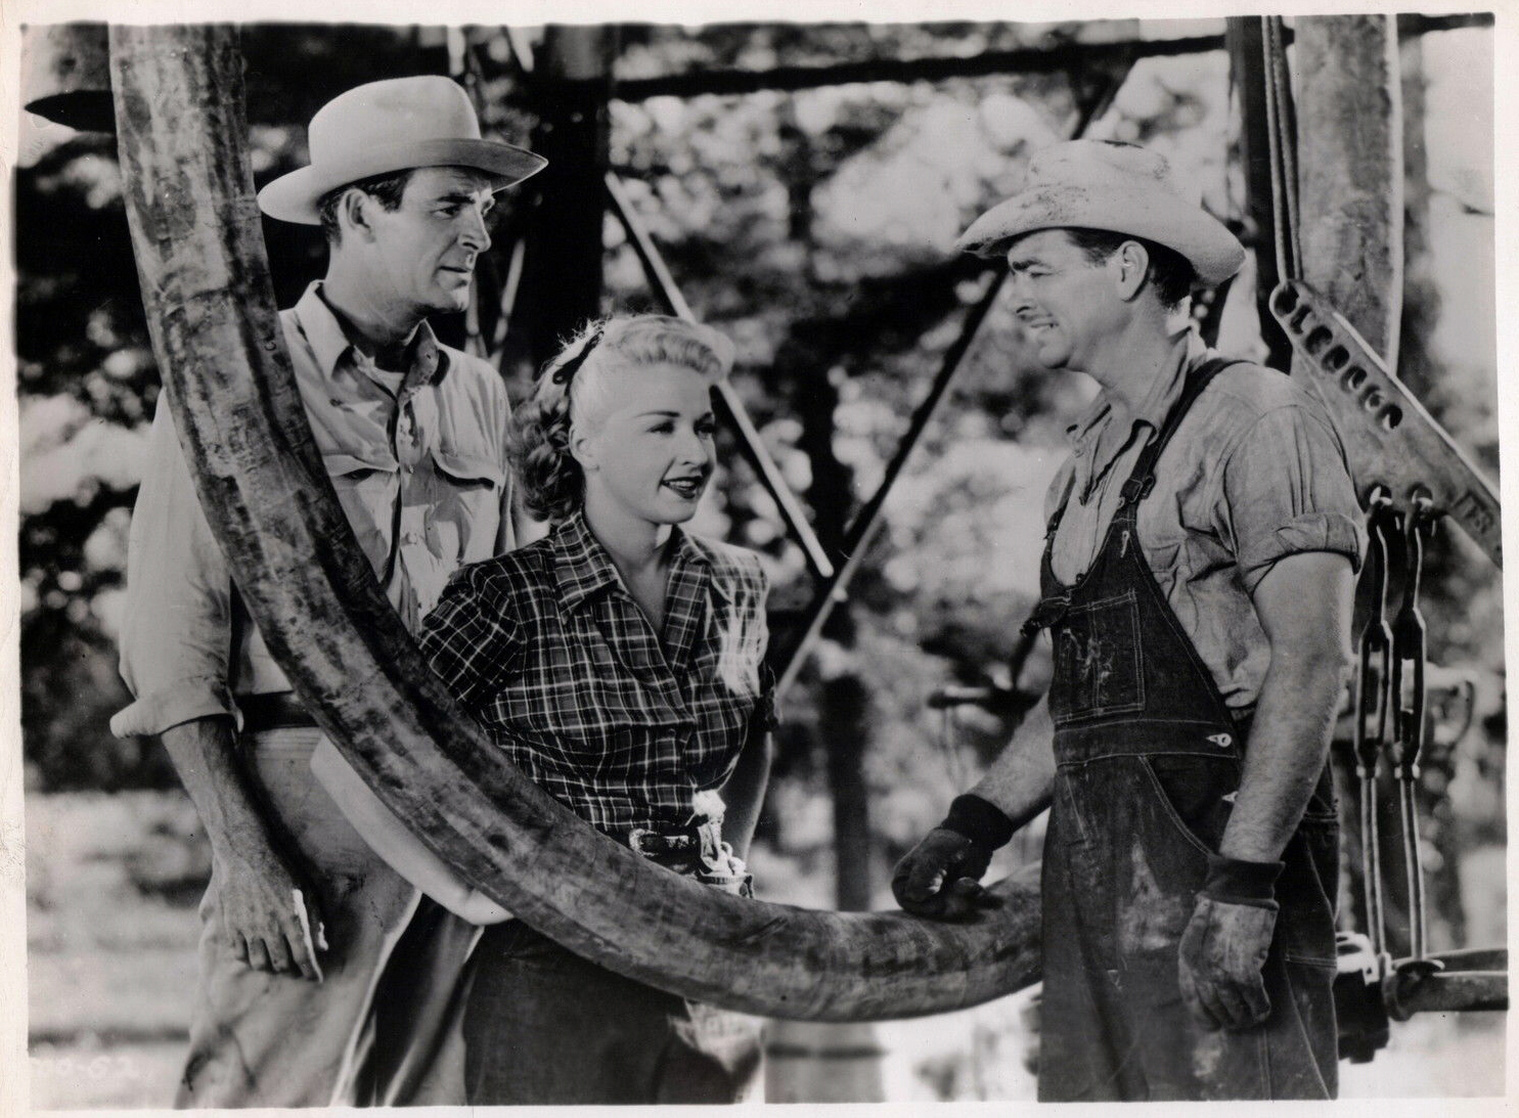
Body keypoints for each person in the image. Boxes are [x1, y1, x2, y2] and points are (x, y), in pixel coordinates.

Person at [892, 139, 1366, 1101]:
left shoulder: (1258, 419)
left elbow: (1311, 666)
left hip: (1221, 857)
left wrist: (1243, 886)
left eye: (1034, 268)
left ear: (1125, 266)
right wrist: (974, 821)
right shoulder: (1083, 464)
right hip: (1095, 870)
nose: (1014, 297)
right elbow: (1082, 696)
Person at [110, 75, 545, 1107]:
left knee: (441, 1096)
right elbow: (173, 639)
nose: (479, 233)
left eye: (484, 207)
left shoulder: (476, 392)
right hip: (305, 797)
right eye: (449, 204)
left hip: (462, 807)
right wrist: (246, 853)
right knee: (261, 1096)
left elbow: (517, 614)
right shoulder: (234, 380)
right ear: (356, 209)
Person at [404, 314, 776, 1104]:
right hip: (556, 968)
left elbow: (757, 745)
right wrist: (465, 893)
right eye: (662, 427)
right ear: (586, 444)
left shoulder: (739, 583)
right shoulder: (504, 596)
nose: (696, 453)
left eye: (704, 426)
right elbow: (362, 759)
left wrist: (721, 873)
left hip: (714, 967)